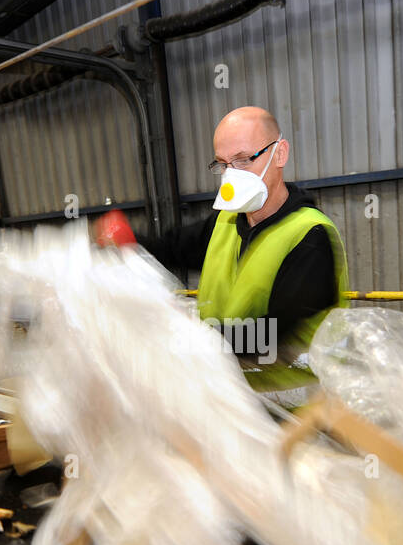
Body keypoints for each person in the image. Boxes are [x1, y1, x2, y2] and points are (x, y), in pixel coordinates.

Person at [96, 106, 347, 407]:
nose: (231, 175)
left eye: (243, 160)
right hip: (231, 392)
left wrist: (186, 334)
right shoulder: (226, 222)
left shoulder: (310, 236)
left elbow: (274, 338)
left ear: (280, 154)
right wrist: (127, 241)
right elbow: (173, 248)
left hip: (294, 406)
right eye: (222, 164)